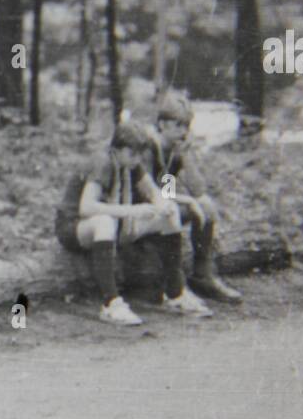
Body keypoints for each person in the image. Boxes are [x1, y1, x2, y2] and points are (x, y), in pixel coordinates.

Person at [55, 121, 212, 326]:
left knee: (170, 213)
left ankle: (175, 293)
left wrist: (166, 205)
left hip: (115, 222)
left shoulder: (131, 164)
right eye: (132, 154)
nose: (137, 160)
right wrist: (133, 210)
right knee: (104, 222)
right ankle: (111, 303)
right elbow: (87, 208)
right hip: (75, 225)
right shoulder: (102, 162)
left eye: (139, 155)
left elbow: (156, 194)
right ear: (118, 149)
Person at [148, 95, 242, 302]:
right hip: (134, 207)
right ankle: (174, 283)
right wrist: (187, 201)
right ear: (162, 124)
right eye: (178, 125)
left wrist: (185, 156)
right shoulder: (148, 145)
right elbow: (146, 191)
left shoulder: (173, 149)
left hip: (157, 204)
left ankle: (203, 275)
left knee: (206, 208)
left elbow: (195, 190)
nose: (183, 132)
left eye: (186, 126)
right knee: (187, 208)